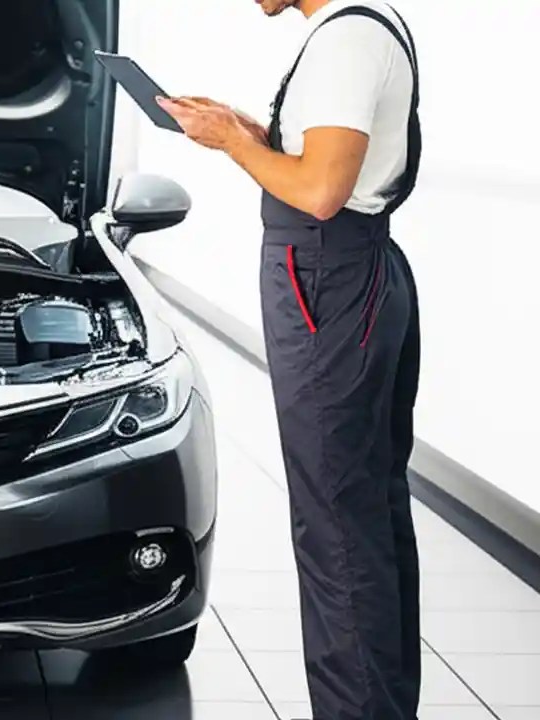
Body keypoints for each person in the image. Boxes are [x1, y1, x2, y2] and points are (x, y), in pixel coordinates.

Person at [156, 1, 422, 718]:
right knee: (367, 510)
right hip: (353, 274)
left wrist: (233, 146)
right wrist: (245, 133)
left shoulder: (343, 43)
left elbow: (320, 190)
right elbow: (319, 162)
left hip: (327, 279)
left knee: (333, 520)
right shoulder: (364, 27)